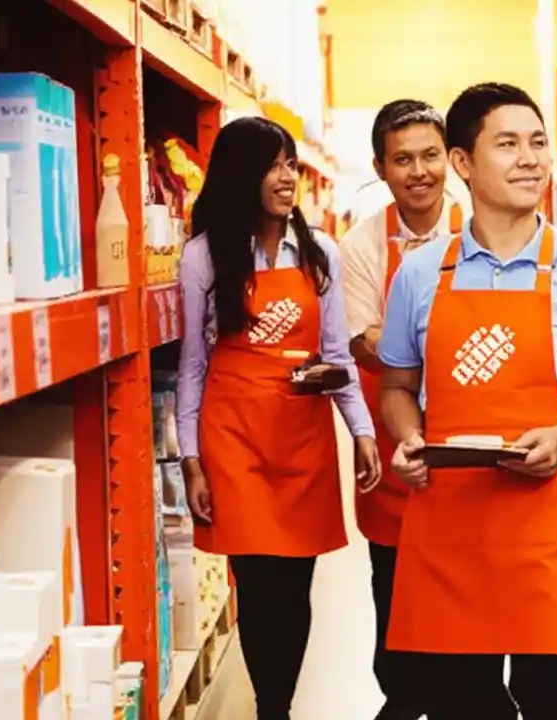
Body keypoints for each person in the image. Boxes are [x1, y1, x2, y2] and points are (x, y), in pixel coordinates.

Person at [377, 82, 557, 719]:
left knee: (551, 698)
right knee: (461, 701)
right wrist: (408, 437)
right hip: (450, 527)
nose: (531, 159)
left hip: (547, 525)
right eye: (508, 144)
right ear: (462, 164)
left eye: (538, 142)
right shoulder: (421, 274)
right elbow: (396, 387)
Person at [175, 117, 381, 720]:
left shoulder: (321, 254)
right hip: (233, 436)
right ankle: (273, 710)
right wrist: (191, 459)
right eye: (273, 164)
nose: (287, 176)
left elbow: (339, 356)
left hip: (302, 438)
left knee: (295, 586)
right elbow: (193, 366)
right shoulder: (203, 257)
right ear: (243, 174)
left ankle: (279, 701)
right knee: (259, 585)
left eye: (291, 163)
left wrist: (362, 430)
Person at [339, 98, 463, 720]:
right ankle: (402, 694)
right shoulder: (360, 246)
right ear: (380, 169)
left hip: (473, 446)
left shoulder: (482, 228)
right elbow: (365, 341)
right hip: (396, 440)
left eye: (431, 155)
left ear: (453, 159)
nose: (419, 171)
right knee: (392, 585)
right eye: (403, 159)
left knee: (467, 599)